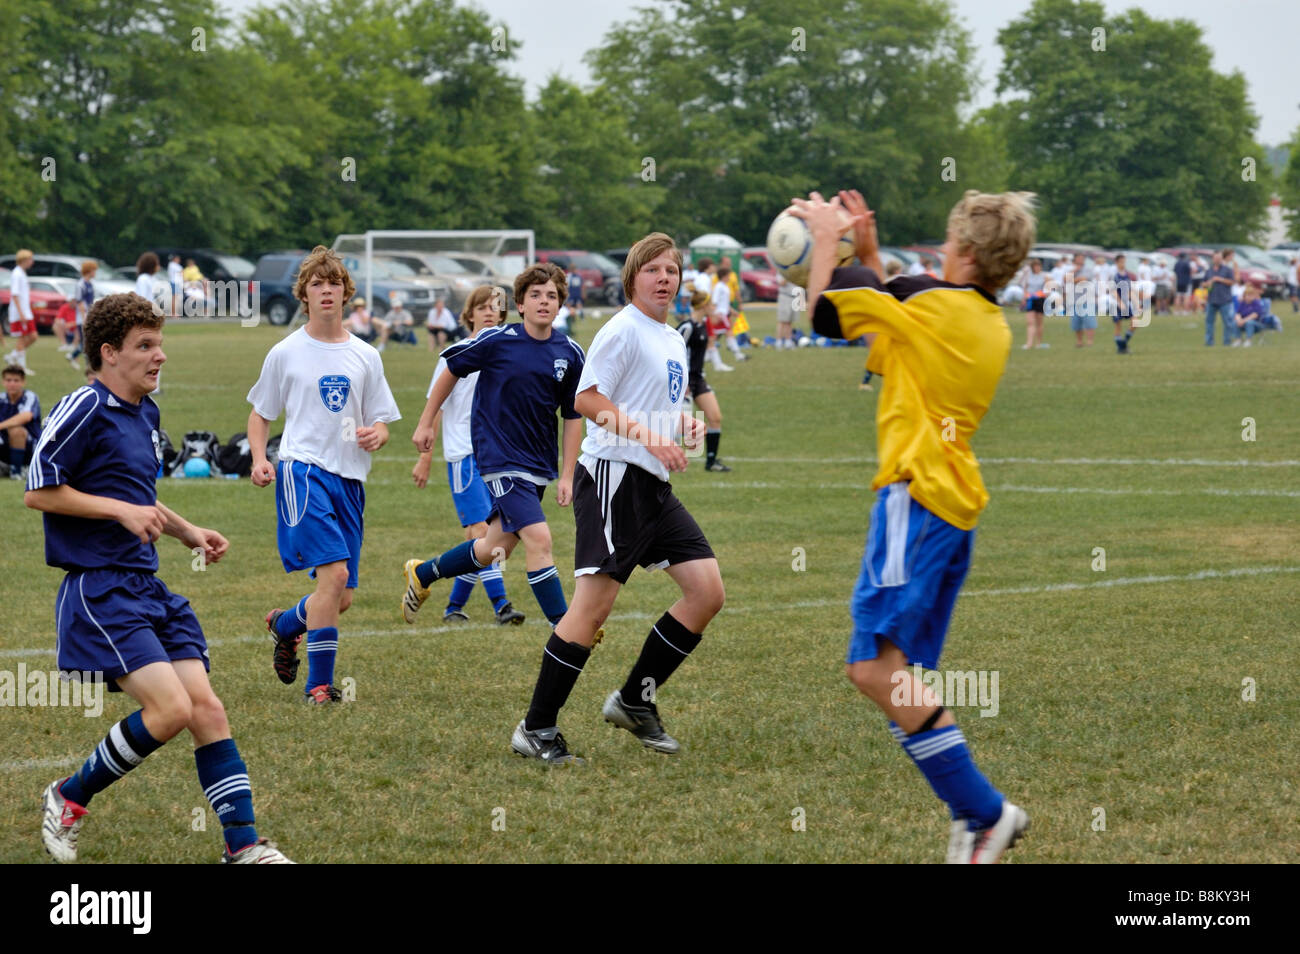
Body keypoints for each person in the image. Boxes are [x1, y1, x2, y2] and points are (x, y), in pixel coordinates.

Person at [794, 186, 1033, 864]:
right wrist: (867, 252)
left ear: (961, 249)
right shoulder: (982, 318)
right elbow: (900, 310)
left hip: (915, 500)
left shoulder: (929, 305)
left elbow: (823, 313)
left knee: (873, 669)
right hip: (950, 510)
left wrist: (821, 239)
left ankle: (987, 814)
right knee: (903, 675)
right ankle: (972, 818)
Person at [26, 292, 292, 863]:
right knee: (169, 710)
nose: (159, 356)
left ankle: (243, 849)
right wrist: (117, 511)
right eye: (145, 346)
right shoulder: (84, 406)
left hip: (147, 586)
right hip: (99, 588)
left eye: (160, 343)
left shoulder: (147, 414)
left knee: (207, 711)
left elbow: (139, 499)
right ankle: (68, 797)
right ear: (108, 353)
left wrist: (188, 529)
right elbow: (38, 488)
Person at [509, 233, 719, 764]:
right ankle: (535, 729)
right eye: (653, 270)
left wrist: (681, 424)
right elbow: (586, 398)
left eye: (671, 270)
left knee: (706, 592)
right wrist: (649, 436)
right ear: (633, 278)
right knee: (592, 607)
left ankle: (633, 700)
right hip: (613, 476)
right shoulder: (622, 329)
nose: (664, 278)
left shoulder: (669, 338)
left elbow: (649, 405)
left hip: (653, 486)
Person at [248, 246, 402, 704]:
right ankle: (319, 687)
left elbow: (382, 421)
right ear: (305, 294)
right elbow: (260, 414)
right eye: (318, 283)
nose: (327, 290)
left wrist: (377, 435)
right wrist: (260, 457)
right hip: (302, 470)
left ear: (346, 291)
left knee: (341, 597)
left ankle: (285, 624)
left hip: (349, 480)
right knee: (333, 577)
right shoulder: (285, 352)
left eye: (334, 282)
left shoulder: (365, 355)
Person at [403, 262, 585, 632]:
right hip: (498, 458)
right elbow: (450, 370)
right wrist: (426, 421)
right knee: (540, 538)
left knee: (490, 548)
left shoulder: (571, 353)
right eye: (535, 295)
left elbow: (572, 416)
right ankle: (565, 627)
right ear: (520, 303)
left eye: (552, 296)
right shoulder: (497, 340)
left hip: (538, 465)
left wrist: (567, 474)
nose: (544, 302)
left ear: (561, 305)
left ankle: (423, 573)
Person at [411, 285, 526, 625]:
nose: (490, 312)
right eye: (483, 307)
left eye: (497, 308)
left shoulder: (506, 355)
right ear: (470, 313)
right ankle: (502, 606)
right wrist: (425, 457)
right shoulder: (456, 353)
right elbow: (436, 406)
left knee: (488, 538)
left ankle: (452, 606)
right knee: (481, 533)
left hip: (499, 457)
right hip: (465, 456)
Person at [678, 288, 729, 471]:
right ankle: (667, 460)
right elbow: (672, 352)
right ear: (704, 305)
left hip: (698, 378)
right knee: (681, 427)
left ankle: (711, 462)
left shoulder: (702, 325)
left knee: (715, 417)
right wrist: (681, 382)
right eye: (711, 304)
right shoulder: (687, 327)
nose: (714, 307)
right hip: (684, 380)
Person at [0, 364, 40, 480]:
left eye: (16, 380)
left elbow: (26, 416)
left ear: (23, 382)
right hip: (6, 448)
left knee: (16, 430)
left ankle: (18, 471)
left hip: (29, 448)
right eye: (8, 380)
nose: (12, 383)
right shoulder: (1, 398)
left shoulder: (29, 397)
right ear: (3, 382)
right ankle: (6, 466)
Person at [4, 249, 37, 374]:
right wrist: (21, 313)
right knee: (22, 339)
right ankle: (21, 367)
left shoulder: (22, 273)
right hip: (19, 313)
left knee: (33, 336)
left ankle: (12, 356)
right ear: (24, 259)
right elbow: (15, 295)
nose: (32, 262)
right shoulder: (16, 274)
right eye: (30, 259)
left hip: (26, 312)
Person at [1204, 251, 1236, 346]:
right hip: (1211, 300)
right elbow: (1203, 283)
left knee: (1227, 323)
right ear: (1213, 259)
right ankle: (1209, 342)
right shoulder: (1209, 271)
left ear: (1222, 259)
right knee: (1209, 323)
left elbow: (1232, 282)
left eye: (1219, 258)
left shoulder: (1227, 270)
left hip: (1224, 300)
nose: (1217, 260)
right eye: (1215, 258)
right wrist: (1207, 284)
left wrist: (1220, 279)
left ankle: (1227, 342)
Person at [708, 263, 735, 371]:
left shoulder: (723, 286)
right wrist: (713, 313)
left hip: (720, 313)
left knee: (712, 337)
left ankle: (712, 360)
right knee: (724, 333)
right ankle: (737, 353)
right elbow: (713, 301)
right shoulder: (717, 286)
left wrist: (731, 310)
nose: (730, 277)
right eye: (728, 275)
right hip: (718, 314)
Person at [1110, 253, 1136, 354]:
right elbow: (1113, 290)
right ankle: (1121, 348)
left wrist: (1135, 301)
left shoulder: (1126, 274)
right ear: (1116, 262)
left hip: (1126, 302)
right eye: (1121, 262)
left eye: (1124, 262)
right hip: (1116, 303)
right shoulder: (1113, 273)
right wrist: (1119, 302)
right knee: (1118, 326)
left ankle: (1123, 344)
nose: (1123, 264)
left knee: (1135, 322)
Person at [1021, 258, 1047, 349]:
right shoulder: (1028, 276)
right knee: (1030, 322)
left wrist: (1041, 294)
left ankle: (1039, 343)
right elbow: (1024, 287)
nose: (1037, 268)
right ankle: (1029, 343)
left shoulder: (1044, 276)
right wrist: (1024, 297)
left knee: (1039, 323)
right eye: (1035, 266)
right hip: (1030, 300)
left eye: (1038, 266)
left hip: (1040, 300)